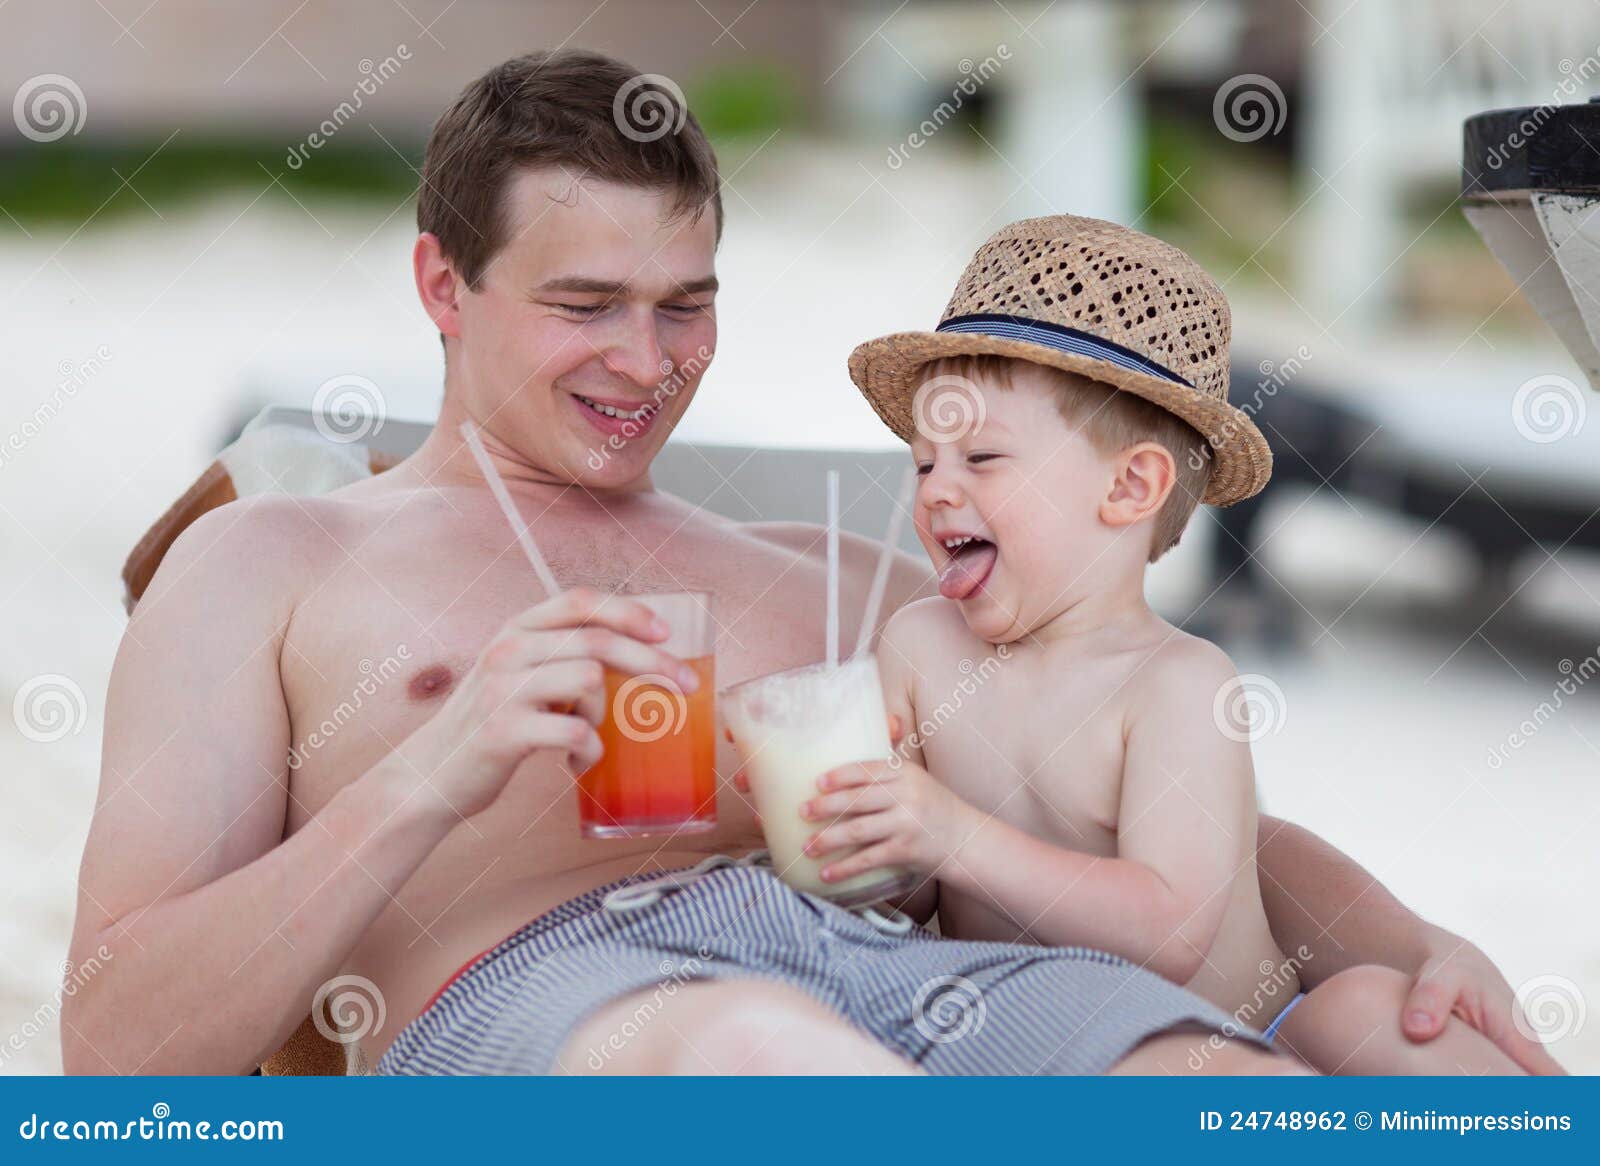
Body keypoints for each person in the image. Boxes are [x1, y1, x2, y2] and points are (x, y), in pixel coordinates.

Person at [62, 49, 1545, 1077]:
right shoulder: (274, 562)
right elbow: (118, 1044)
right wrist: (427, 775)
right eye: (587, 304)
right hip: (546, 997)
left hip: (916, 983)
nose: (646, 366)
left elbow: (1136, 774)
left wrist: (1413, 937)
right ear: (443, 284)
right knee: (769, 1062)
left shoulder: (839, 574)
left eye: (685, 306)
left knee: (1222, 1090)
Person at [797, 215, 1564, 1075]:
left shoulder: (1178, 684)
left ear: (1130, 487)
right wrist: (869, 845)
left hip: (1248, 1037)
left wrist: (948, 833)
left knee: (1376, 1017)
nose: (937, 492)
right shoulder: (917, 648)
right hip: (1052, 1038)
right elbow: (913, 891)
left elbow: (1168, 931)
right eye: (924, 461)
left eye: (981, 457)